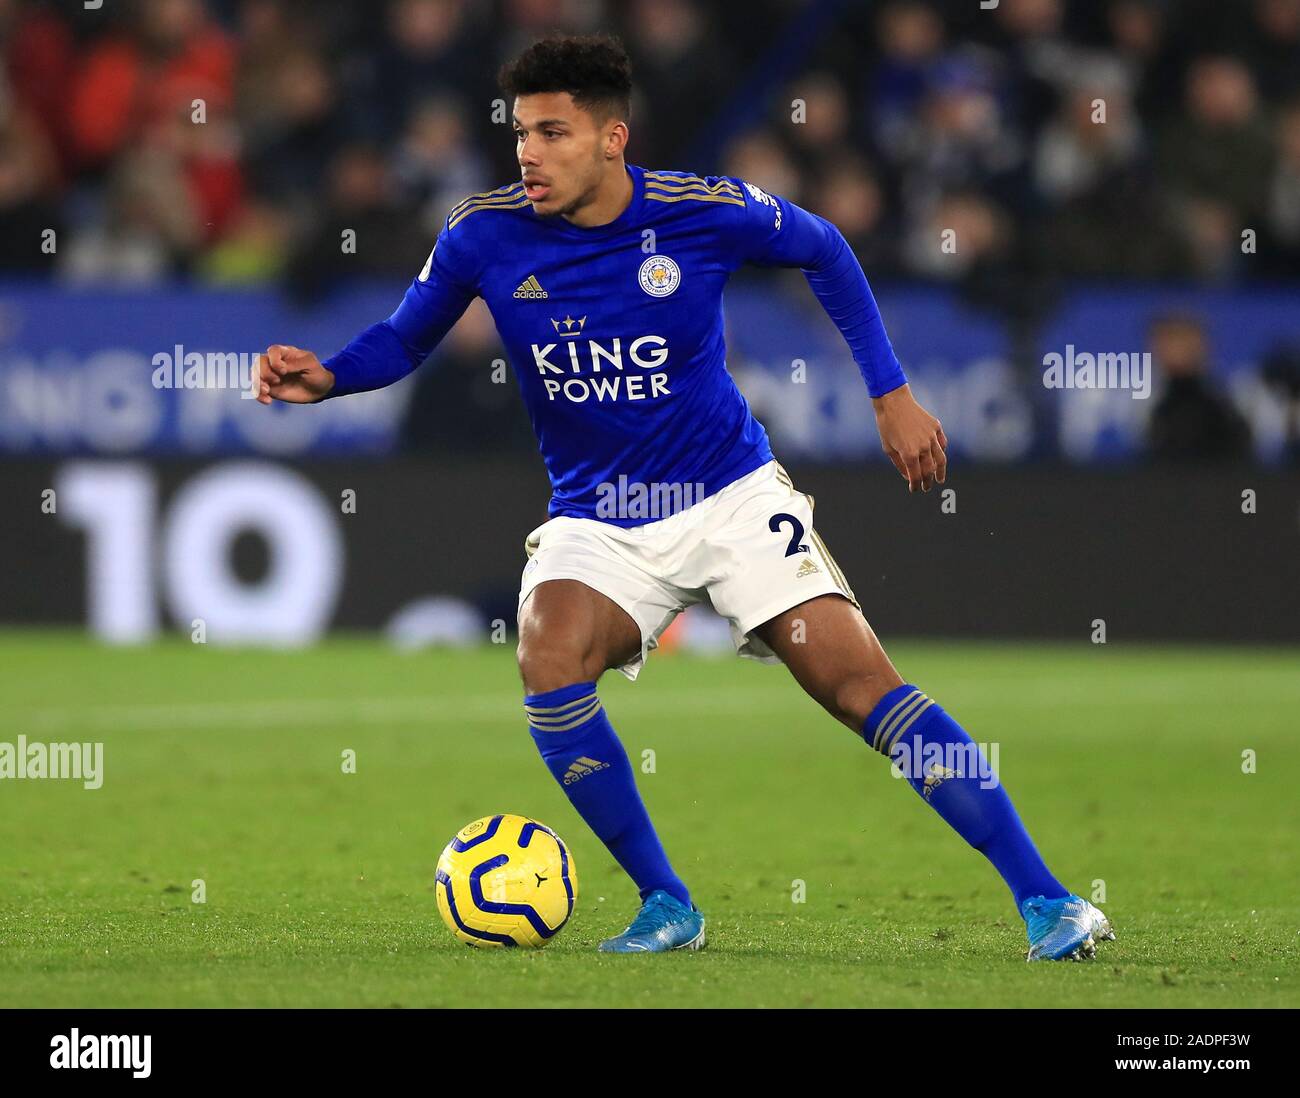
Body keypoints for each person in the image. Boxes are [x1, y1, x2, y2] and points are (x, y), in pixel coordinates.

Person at [255, 34, 1113, 962]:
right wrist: (329, 377)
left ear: (612, 138)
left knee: (860, 687)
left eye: (553, 133)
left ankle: (1049, 900)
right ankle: (668, 904)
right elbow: (404, 337)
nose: (528, 156)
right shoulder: (481, 233)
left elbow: (826, 249)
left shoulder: (700, 213)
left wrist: (891, 392)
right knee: (548, 659)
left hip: (729, 498)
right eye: (520, 135)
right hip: (597, 516)